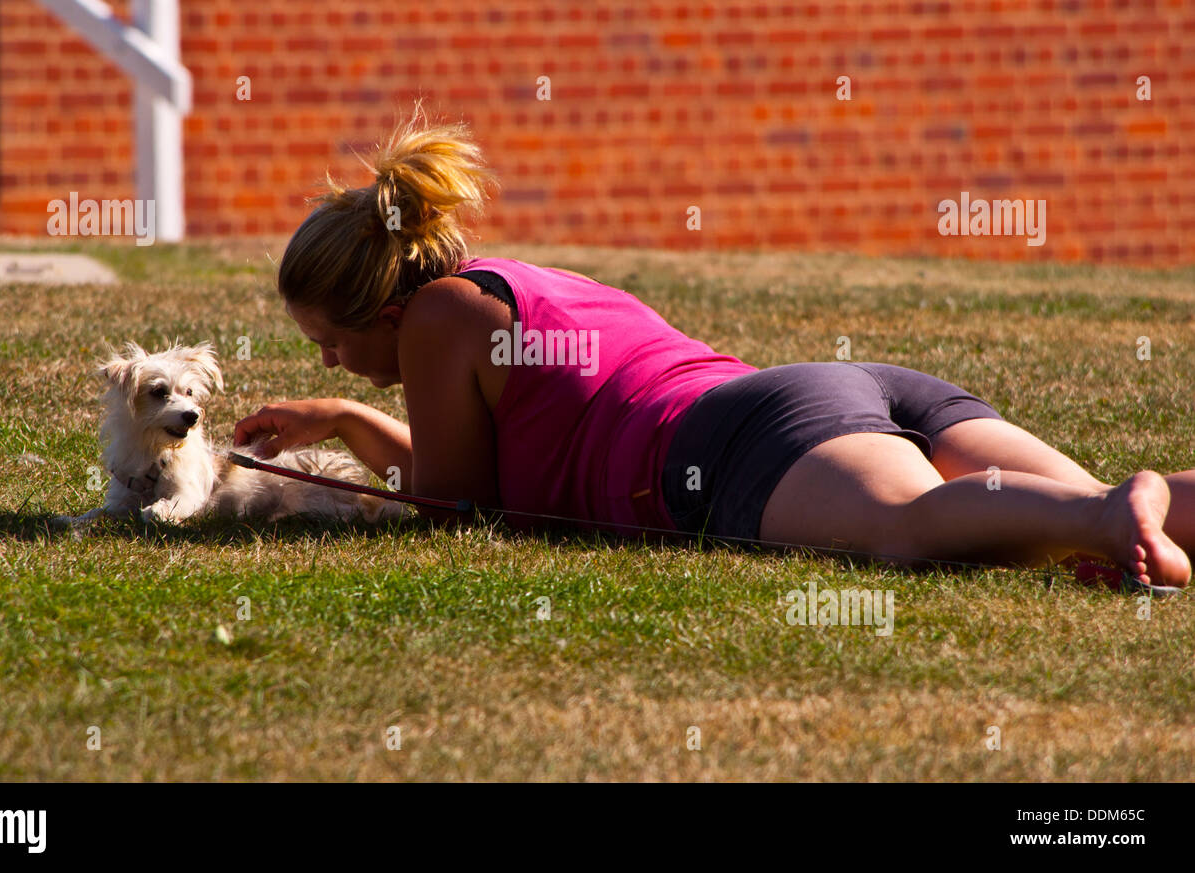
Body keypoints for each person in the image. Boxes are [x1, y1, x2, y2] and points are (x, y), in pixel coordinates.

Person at [233, 105, 1192, 589]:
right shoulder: (514, 282)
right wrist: (356, 419)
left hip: (727, 444)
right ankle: (1136, 503)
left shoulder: (440, 318)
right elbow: (492, 476)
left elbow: (460, 511)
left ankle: (1117, 505)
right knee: (1104, 536)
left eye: (330, 342)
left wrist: (349, 451)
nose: (327, 361)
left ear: (385, 311)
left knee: (908, 529)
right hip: (834, 394)